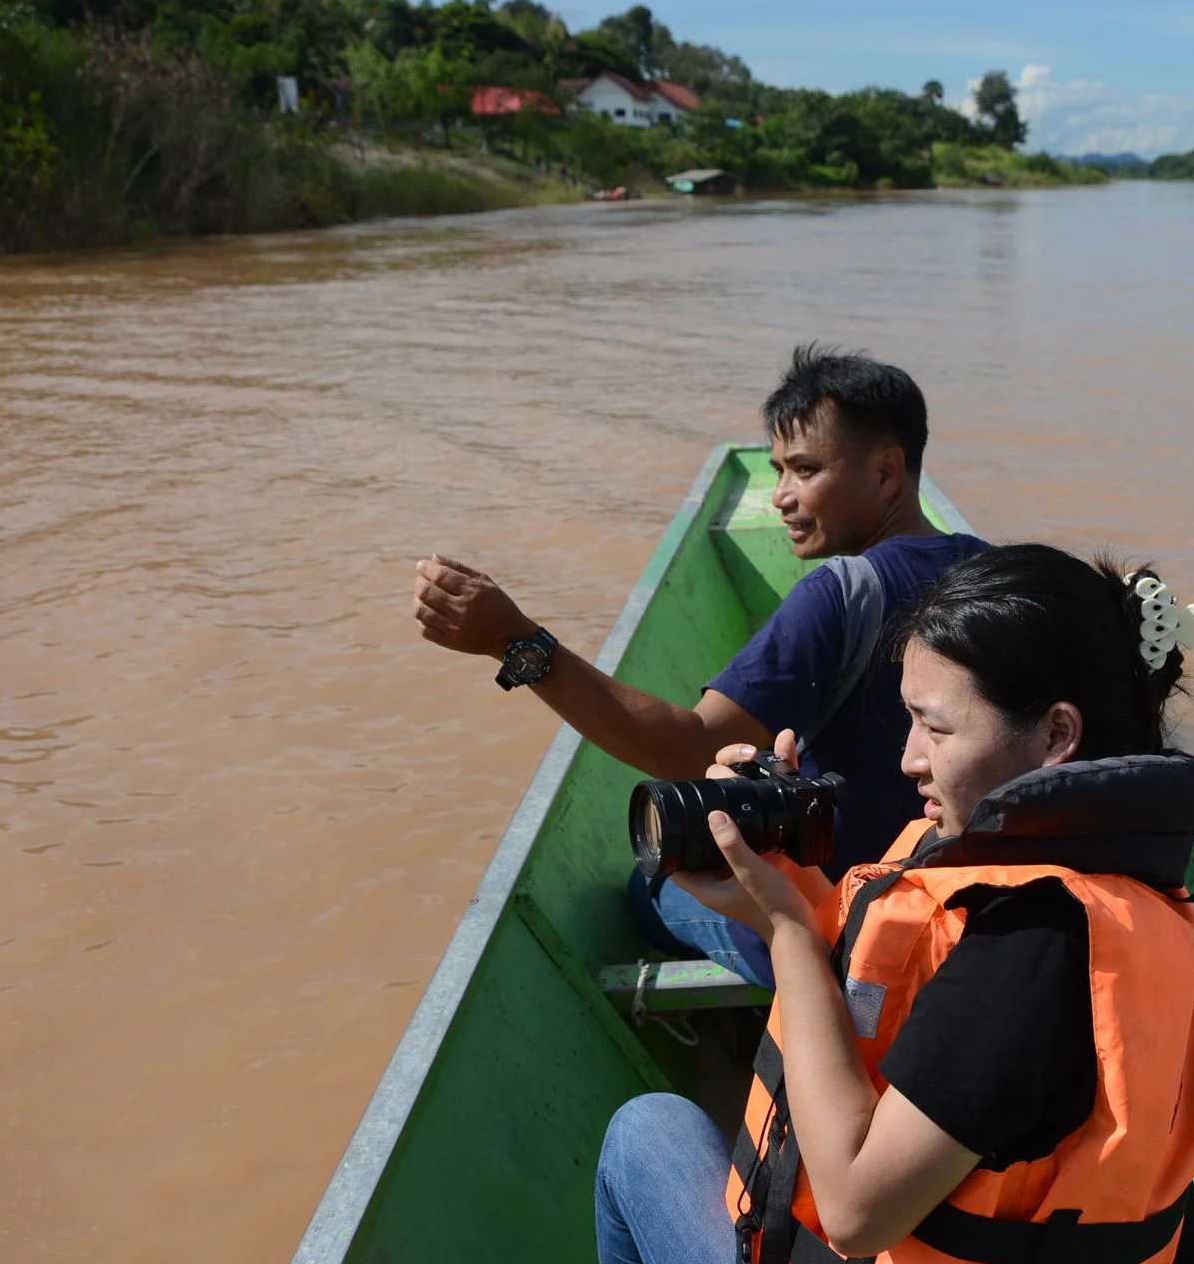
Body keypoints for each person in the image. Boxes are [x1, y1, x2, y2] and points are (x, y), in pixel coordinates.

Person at [593, 544, 1194, 1264]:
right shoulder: (1117, 876)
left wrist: (786, 935)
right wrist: (779, 880)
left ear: (1057, 734)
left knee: (643, 1132)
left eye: (935, 728)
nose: (909, 758)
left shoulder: (1035, 944)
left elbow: (853, 1210)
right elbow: (893, 971)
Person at [411, 346, 990, 986]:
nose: (781, 498)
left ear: (886, 473)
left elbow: (691, 750)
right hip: (972, 905)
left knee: (650, 885)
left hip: (849, 930)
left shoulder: (839, 594)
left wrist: (516, 641)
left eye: (805, 470)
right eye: (779, 472)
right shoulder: (1004, 575)